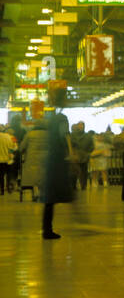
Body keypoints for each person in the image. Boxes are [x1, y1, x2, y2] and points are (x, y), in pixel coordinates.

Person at [35, 95, 74, 240]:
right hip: (58, 159)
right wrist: (71, 152)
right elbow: (65, 135)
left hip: (51, 158)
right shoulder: (61, 118)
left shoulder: (50, 119)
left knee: (50, 197)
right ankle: (47, 230)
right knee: (53, 196)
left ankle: (47, 228)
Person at [69, 122, 95, 191]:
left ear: (84, 126)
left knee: (83, 172)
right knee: (74, 172)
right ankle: (73, 186)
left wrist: (87, 153)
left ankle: (83, 186)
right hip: (75, 157)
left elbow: (92, 146)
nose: (80, 127)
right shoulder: (72, 136)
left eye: (81, 125)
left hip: (84, 157)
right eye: (79, 125)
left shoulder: (88, 136)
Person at [0, 121, 16, 196]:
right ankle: (9, 187)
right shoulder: (12, 137)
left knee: (1, 175)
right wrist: (10, 152)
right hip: (9, 159)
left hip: (0, 160)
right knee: (9, 174)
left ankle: (2, 190)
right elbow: (15, 148)